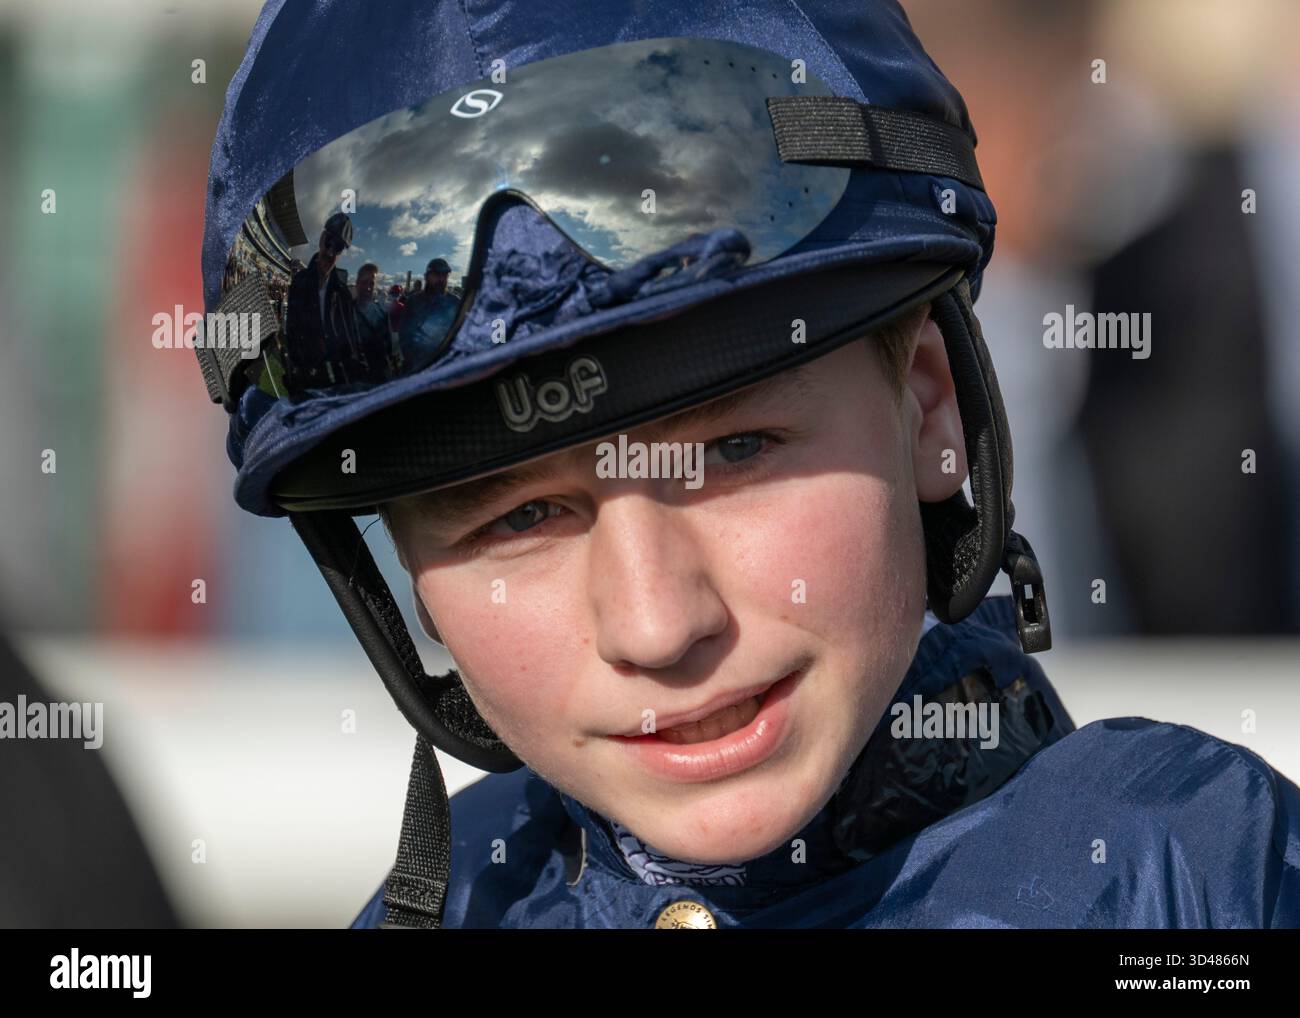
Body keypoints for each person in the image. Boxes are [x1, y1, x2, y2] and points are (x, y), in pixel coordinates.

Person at [198, 0, 1300, 929]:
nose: (656, 622)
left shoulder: (1197, 888)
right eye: (518, 518)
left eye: (732, 450)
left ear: (926, 405)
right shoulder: (445, 907)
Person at [283, 211, 363, 390]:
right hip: (305, 380)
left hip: (336, 382)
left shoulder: (343, 294)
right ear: (321, 239)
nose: (330, 252)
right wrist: (295, 369)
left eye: (338, 248)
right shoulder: (300, 282)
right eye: (329, 243)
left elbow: (352, 339)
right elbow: (292, 330)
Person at [397, 258, 460, 374]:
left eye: (445, 275)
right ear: (426, 276)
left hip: (446, 368)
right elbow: (404, 337)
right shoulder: (414, 301)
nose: (441, 279)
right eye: (436, 274)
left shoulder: (455, 302)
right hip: (418, 368)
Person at [352, 262, 394, 382]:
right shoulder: (345, 312)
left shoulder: (382, 313)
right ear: (357, 283)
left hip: (380, 376)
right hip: (355, 378)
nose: (368, 287)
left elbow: (389, 346)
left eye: (371, 283)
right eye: (364, 282)